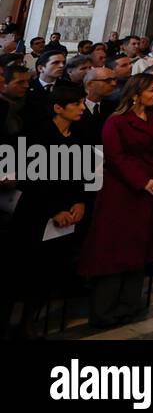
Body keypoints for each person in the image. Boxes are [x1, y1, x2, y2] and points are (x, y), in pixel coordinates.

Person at [77, 74, 153, 329]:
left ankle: (129, 305)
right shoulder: (116, 122)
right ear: (135, 93)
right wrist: (143, 181)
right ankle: (104, 310)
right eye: (152, 90)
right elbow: (115, 158)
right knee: (113, 248)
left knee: (138, 246)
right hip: (121, 192)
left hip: (149, 190)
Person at [7, 81, 88, 338]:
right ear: (58, 107)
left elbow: (82, 175)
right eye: (76, 104)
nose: (82, 108)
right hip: (36, 212)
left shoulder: (77, 137)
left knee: (48, 272)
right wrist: (54, 209)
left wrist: (79, 202)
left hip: (65, 216)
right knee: (22, 270)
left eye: (82, 102)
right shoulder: (37, 135)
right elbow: (31, 179)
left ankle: (29, 320)